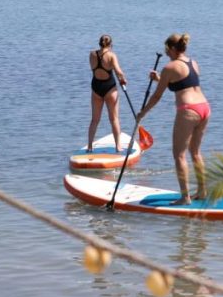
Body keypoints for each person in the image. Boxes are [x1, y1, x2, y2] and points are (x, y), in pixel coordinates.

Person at [137, 33, 209, 205]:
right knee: (196, 153)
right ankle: (202, 191)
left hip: (188, 111)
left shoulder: (170, 67)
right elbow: (181, 84)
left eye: (166, 50)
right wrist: (159, 80)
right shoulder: (193, 63)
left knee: (179, 155)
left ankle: (185, 197)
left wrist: (142, 113)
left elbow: (156, 97)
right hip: (204, 107)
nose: (166, 53)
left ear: (171, 49)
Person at [88, 34, 127, 153]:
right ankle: (118, 146)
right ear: (111, 45)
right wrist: (123, 79)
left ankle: (90, 147)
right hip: (109, 88)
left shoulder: (92, 54)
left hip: (96, 87)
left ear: (99, 43)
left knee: (94, 120)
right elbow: (118, 71)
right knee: (114, 119)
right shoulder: (111, 55)